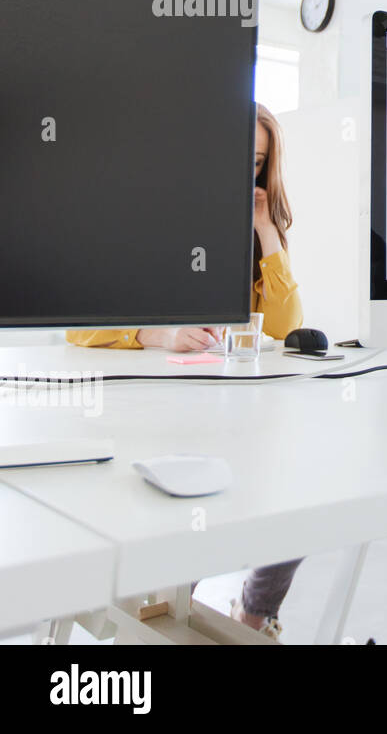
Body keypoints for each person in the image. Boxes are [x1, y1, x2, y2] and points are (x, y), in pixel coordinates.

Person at [67, 102, 306, 639]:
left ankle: (252, 612)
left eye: (258, 163)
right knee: (178, 517)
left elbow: (285, 325)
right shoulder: (152, 211)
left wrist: (265, 228)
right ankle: (172, 604)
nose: (243, 172)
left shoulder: (249, 230)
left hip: (230, 408)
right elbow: (76, 325)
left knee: (299, 490)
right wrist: (153, 334)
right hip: (152, 415)